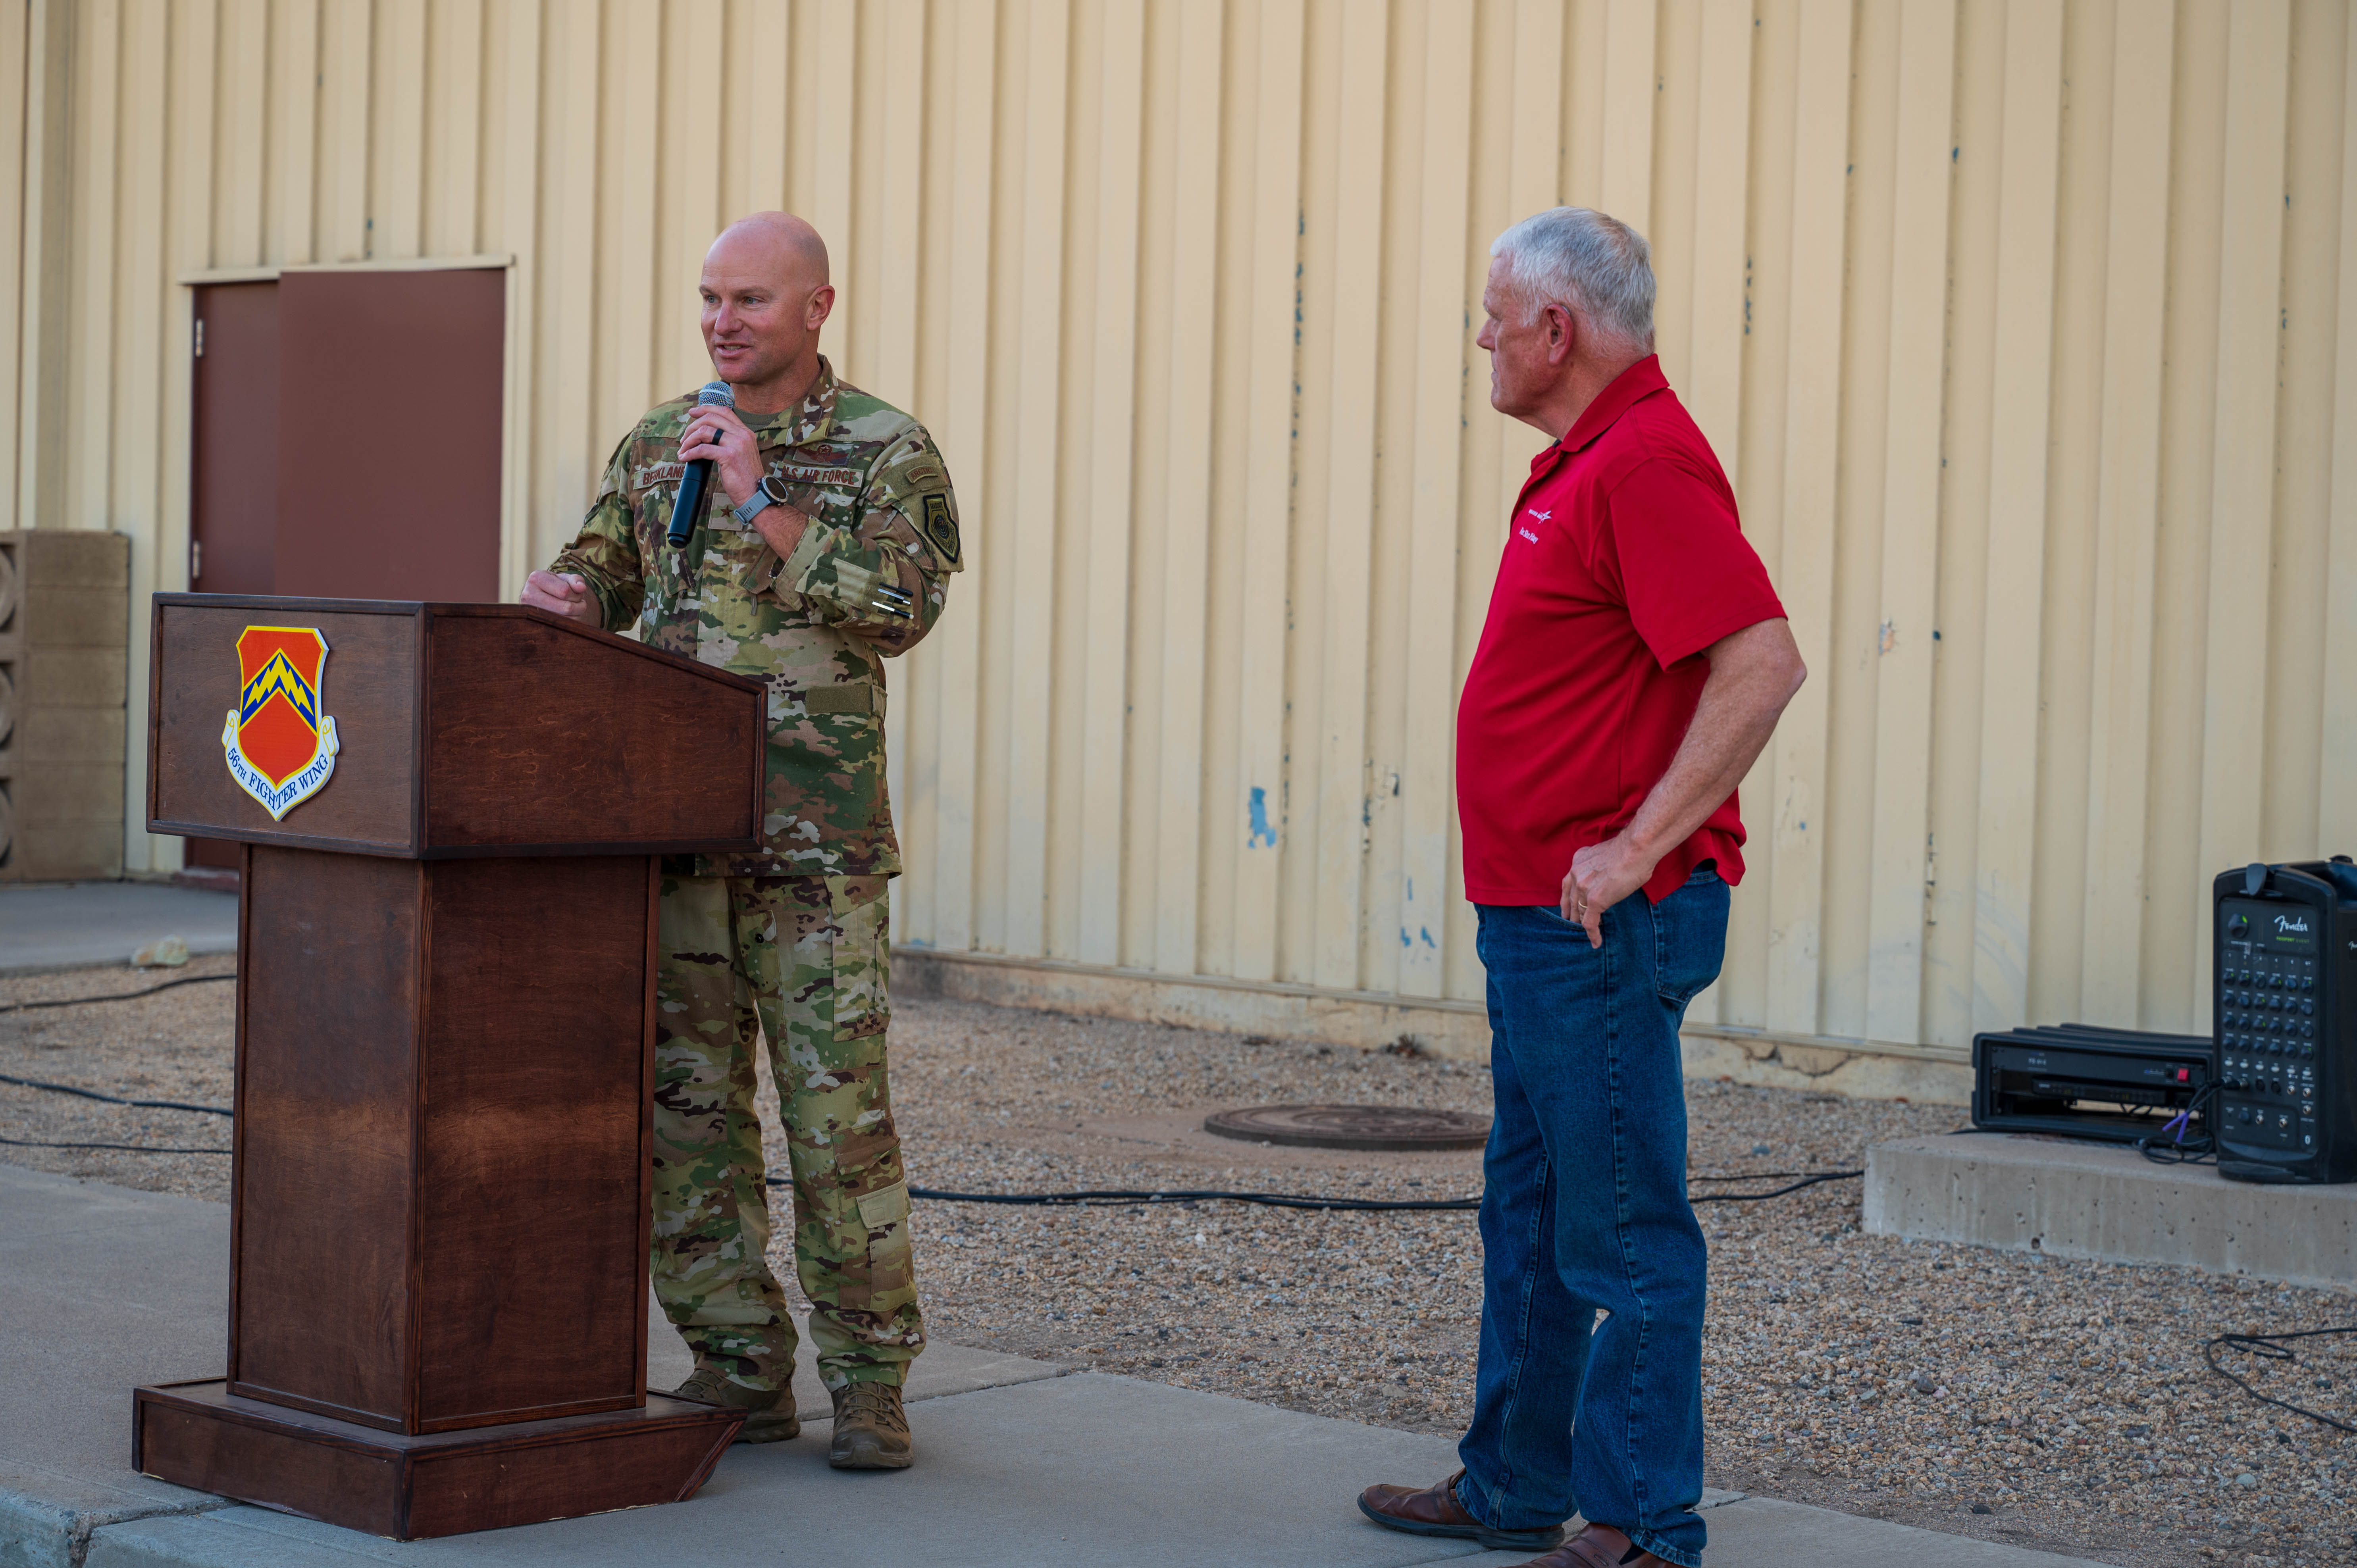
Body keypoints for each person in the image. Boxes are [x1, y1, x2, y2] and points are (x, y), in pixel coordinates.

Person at [1356, 208, 1805, 1567]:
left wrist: (1633, 849)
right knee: (1535, 1210)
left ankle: (1638, 1523)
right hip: (1545, 926)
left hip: (1600, 923)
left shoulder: (1645, 465)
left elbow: (1762, 665)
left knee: (1619, 1230)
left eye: (1495, 315)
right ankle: (1511, 1485)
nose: (1480, 337)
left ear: (1558, 330)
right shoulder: (1585, 461)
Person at [521, 212, 962, 1470]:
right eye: (711, 297)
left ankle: (869, 1385)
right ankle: (736, 1370)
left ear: (817, 309)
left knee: (839, 1130)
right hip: (671, 844)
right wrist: (566, 594)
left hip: (814, 852)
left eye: (752, 301)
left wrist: (761, 498)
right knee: (687, 1120)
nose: (724, 321)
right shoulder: (661, 440)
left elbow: (899, 608)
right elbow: (600, 569)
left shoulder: (884, 447)